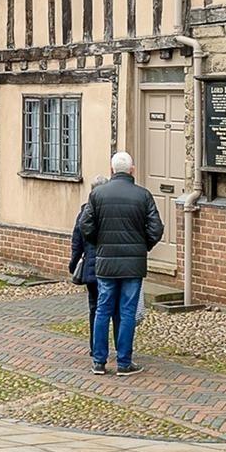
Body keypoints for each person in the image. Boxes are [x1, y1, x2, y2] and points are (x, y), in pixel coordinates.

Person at [80, 151, 163, 376]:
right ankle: (124, 362)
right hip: (133, 265)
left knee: (102, 310)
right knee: (127, 312)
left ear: (111, 170)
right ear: (132, 170)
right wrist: (142, 245)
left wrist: (99, 242)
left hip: (106, 261)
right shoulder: (143, 196)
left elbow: (85, 225)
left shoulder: (97, 195)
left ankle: (99, 361)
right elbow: (156, 228)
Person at [68, 183, 119, 355]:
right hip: (111, 267)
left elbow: (77, 242)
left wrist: (73, 265)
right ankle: (120, 348)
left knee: (95, 309)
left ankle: (95, 348)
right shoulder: (112, 213)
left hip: (92, 268)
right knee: (116, 310)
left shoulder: (84, 213)